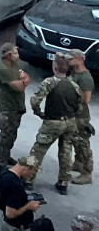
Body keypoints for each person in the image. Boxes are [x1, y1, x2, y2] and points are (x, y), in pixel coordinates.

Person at [34, 54, 84, 194]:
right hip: (69, 123)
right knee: (66, 152)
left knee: (39, 150)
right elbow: (80, 106)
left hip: (52, 122)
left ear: (55, 68)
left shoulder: (50, 82)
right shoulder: (74, 85)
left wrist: (38, 112)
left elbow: (35, 100)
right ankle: (63, 182)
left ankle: (28, 179)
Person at [0, 156, 43, 231]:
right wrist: (29, 206)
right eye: (33, 173)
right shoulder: (15, 186)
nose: (32, 176)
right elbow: (10, 214)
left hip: (6, 224)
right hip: (16, 230)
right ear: (26, 168)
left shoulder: (3, 174)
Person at [67, 50, 94, 185]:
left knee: (83, 144)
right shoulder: (74, 72)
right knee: (75, 140)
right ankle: (77, 164)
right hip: (73, 113)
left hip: (81, 116)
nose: (68, 61)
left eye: (71, 59)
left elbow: (87, 99)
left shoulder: (86, 78)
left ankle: (87, 173)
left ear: (79, 59)